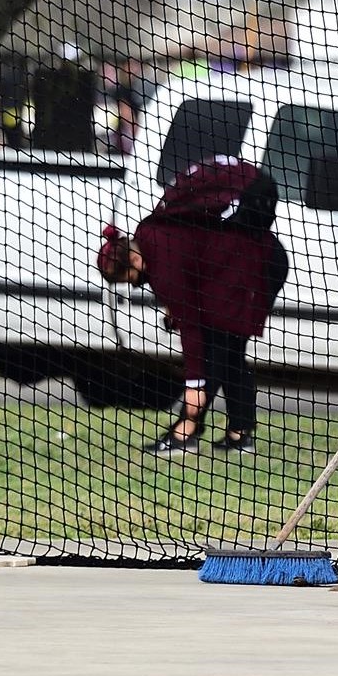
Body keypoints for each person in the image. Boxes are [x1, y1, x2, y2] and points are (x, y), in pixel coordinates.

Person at [97, 158, 289, 454]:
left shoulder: (161, 266)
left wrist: (195, 384)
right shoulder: (149, 232)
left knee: (217, 349)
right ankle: (240, 433)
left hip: (256, 268)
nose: (136, 285)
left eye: (131, 278)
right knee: (230, 351)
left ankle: (186, 432)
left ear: (134, 260)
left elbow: (192, 332)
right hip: (253, 262)